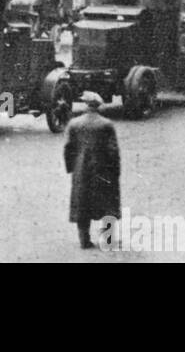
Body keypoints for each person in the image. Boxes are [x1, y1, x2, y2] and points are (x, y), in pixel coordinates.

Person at [63, 91, 121, 250]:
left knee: (82, 203)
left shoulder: (74, 124)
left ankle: (84, 240)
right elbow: (113, 151)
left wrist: (71, 168)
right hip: (104, 170)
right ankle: (108, 240)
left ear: (85, 105)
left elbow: (68, 148)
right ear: (98, 106)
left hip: (81, 169)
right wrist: (116, 171)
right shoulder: (106, 124)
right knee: (109, 203)